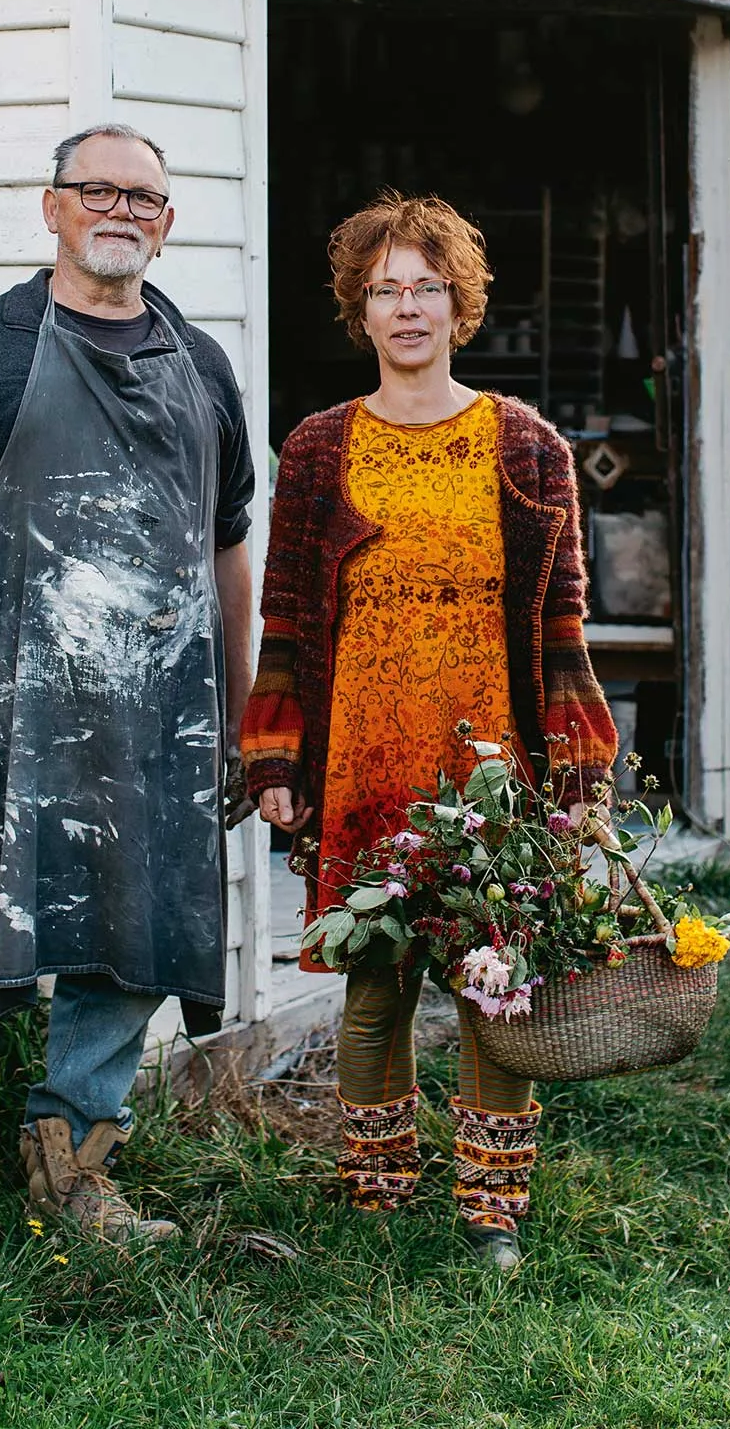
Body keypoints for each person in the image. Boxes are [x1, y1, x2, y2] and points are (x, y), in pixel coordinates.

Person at [0, 125, 255, 1243]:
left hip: (160, 724)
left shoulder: (203, 366)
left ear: (168, 224)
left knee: (136, 935)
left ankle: (73, 1163)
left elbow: (227, 551)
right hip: (2, 713)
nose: (121, 208)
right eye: (98, 189)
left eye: (146, 196)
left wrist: (247, 714)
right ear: (52, 206)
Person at [240, 192, 616, 1269]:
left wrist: (578, 770)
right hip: (364, 755)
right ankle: (379, 1191)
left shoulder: (526, 445)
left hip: (491, 770)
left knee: (497, 987)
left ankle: (491, 1202)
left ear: (462, 305)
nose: (407, 308)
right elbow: (285, 614)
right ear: (358, 313)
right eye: (384, 290)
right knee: (373, 986)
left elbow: (561, 621)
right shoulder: (318, 448)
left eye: (428, 288)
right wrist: (276, 753)